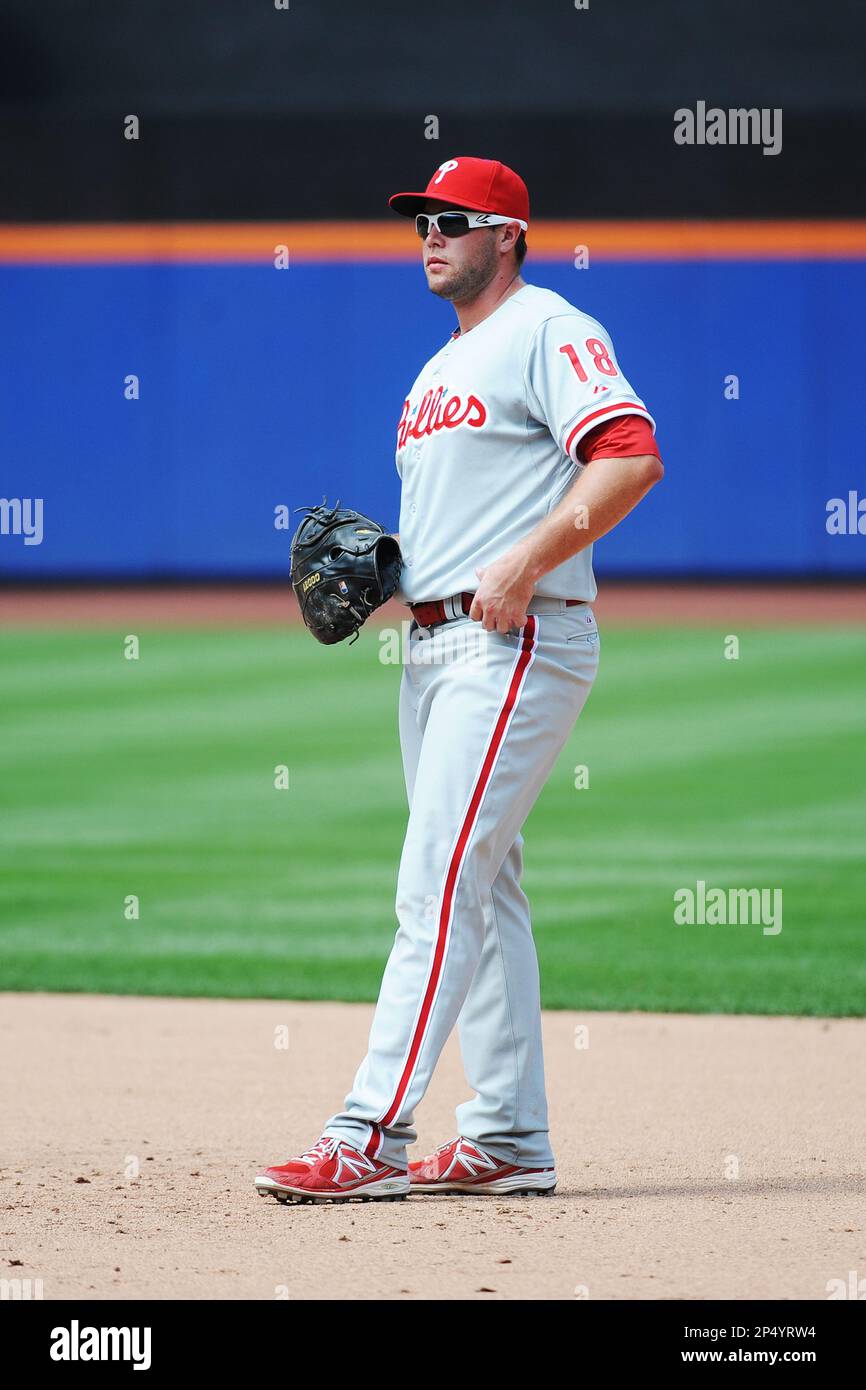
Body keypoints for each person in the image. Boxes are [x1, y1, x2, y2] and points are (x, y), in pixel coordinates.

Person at [255, 156, 663, 1204]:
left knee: (434, 882)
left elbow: (626, 457)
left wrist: (525, 562)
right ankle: (508, 1135)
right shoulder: (439, 367)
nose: (429, 235)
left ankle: (368, 1135)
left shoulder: (547, 328)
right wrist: (399, 565)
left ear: (507, 234)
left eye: (451, 220)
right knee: (481, 890)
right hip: (434, 647)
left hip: (513, 642)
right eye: (419, 221)